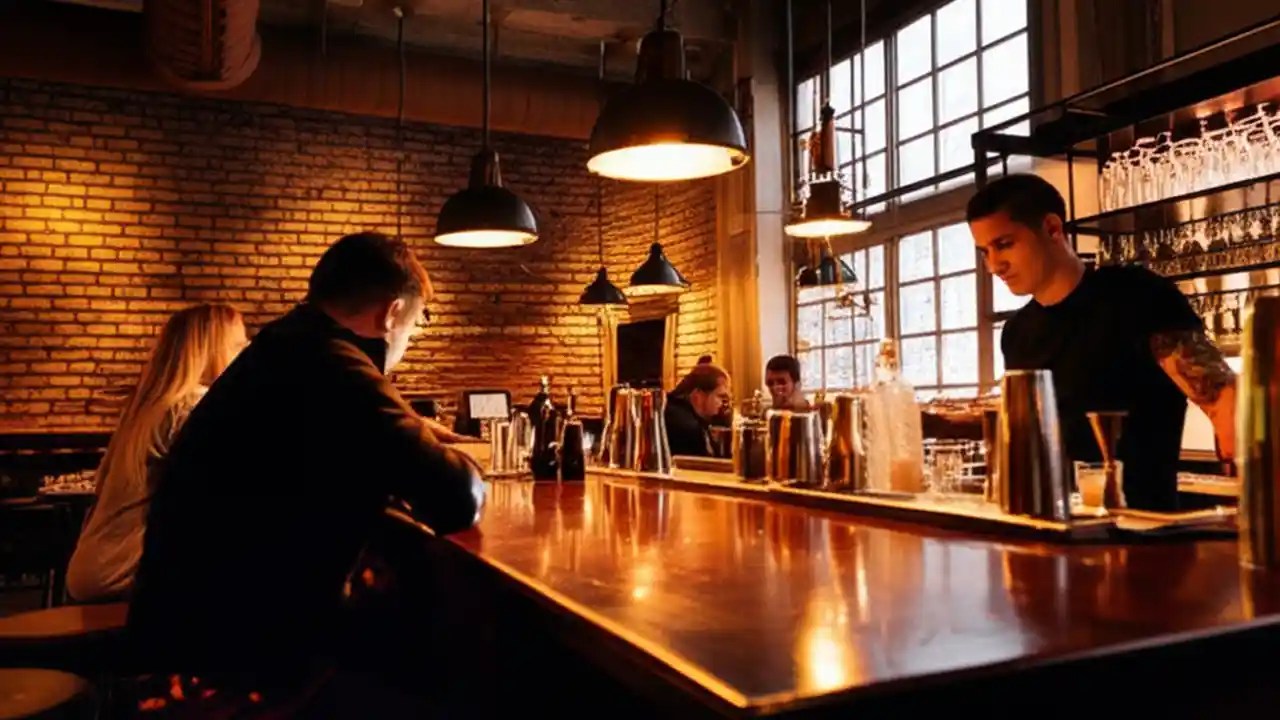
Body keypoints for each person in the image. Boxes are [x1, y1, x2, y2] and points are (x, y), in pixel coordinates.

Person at [125, 232, 485, 703]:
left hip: (193, 628)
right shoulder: (331, 361)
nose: (410, 338)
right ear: (392, 313)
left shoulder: (286, 346)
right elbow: (457, 495)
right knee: (442, 667)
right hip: (228, 660)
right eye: (416, 324)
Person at [968, 174, 1236, 511]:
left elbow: (1223, 398)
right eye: (985, 252)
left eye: (1005, 244)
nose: (994, 265)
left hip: (1141, 525)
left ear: (1052, 229)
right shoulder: (1017, 333)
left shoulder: (1137, 295)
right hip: (1048, 524)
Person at [66, 304, 246, 603]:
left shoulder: (150, 407)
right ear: (211, 351)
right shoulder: (191, 407)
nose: (246, 355)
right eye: (238, 346)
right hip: (129, 574)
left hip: (96, 568)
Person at [665, 364, 731, 457]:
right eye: (720, 396)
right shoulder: (688, 428)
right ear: (698, 395)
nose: (722, 404)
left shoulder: (674, 410)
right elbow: (706, 463)